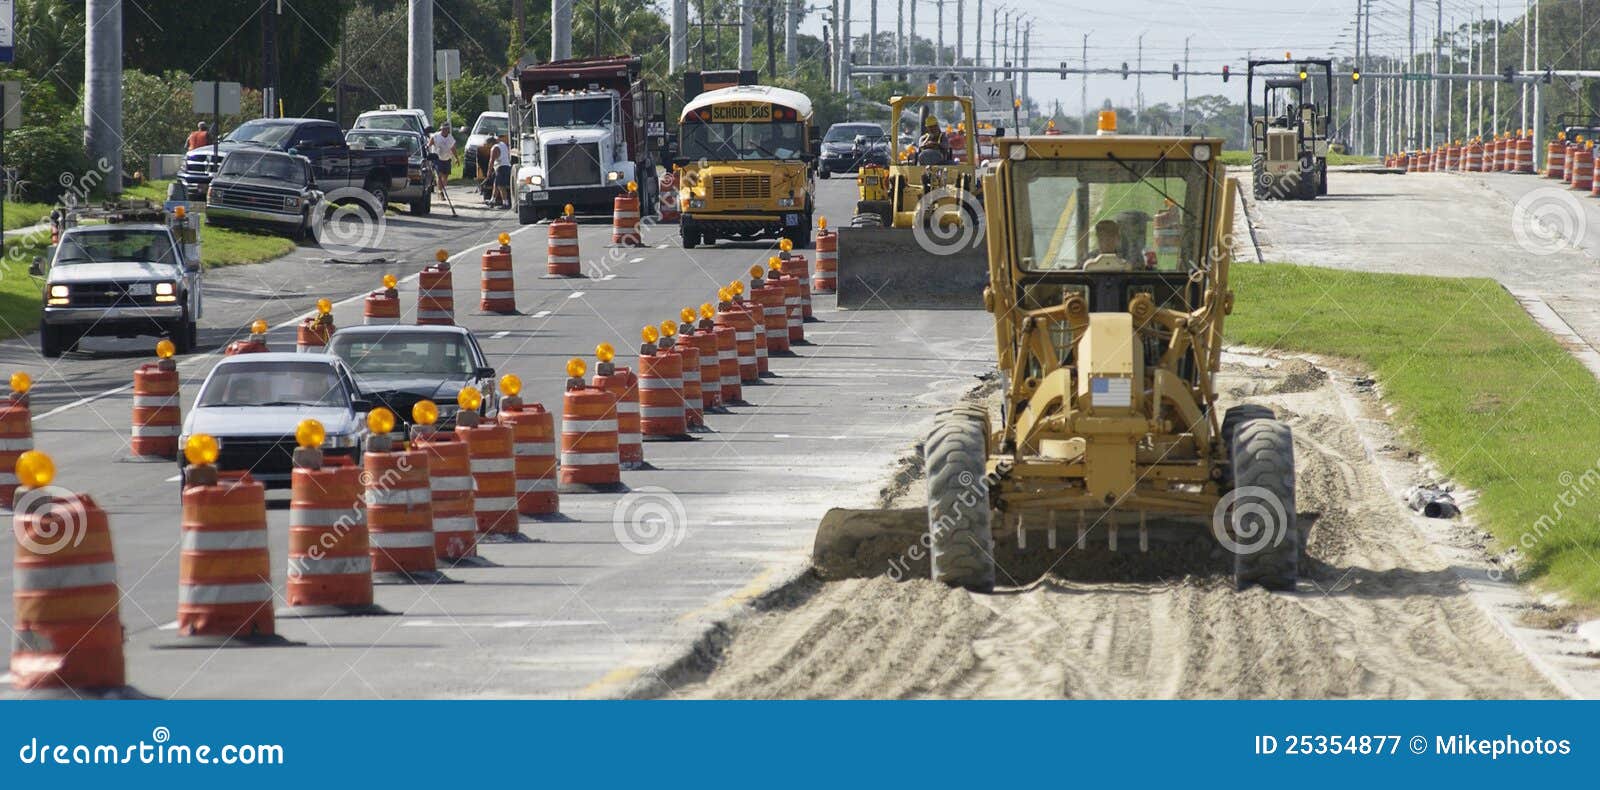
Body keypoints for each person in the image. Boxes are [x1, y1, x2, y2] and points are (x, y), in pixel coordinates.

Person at [429, 123, 456, 197]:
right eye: (443, 129)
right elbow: (429, 145)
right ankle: (440, 191)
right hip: (437, 159)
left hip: (447, 158)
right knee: (439, 175)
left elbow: (453, 148)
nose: (444, 131)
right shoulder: (435, 136)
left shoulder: (450, 138)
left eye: (446, 129)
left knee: (445, 176)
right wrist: (428, 153)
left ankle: (441, 189)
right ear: (441, 129)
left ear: (448, 130)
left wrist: (456, 158)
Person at [490, 134, 512, 210]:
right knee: (496, 184)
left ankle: (505, 203)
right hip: (507, 166)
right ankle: (492, 201)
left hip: (501, 168)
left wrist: (489, 172)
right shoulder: (503, 144)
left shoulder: (494, 148)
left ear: (491, 143)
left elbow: (491, 161)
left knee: (501, 186)